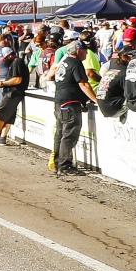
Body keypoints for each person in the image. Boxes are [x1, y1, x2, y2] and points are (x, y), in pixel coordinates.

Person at [51, 35, 98, 175]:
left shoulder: (64, 61)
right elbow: (84, 84)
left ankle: (58, 163)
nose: (86, 52)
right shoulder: (75, 63)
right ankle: (65, 166)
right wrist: (96, 100)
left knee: (60, 133)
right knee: (69, 134)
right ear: (78, 51)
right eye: (84, 50)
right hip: (69, 103)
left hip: (59, 101)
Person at [0, 36, 28, 145]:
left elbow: (17, 80)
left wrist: (2, 83)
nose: (3, 61)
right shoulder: (14, 62)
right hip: (12, 92)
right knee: (8, 117)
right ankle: (2, 138)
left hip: (13, 92)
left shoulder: (17, 62)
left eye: (4, 58)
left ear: (9, 56)